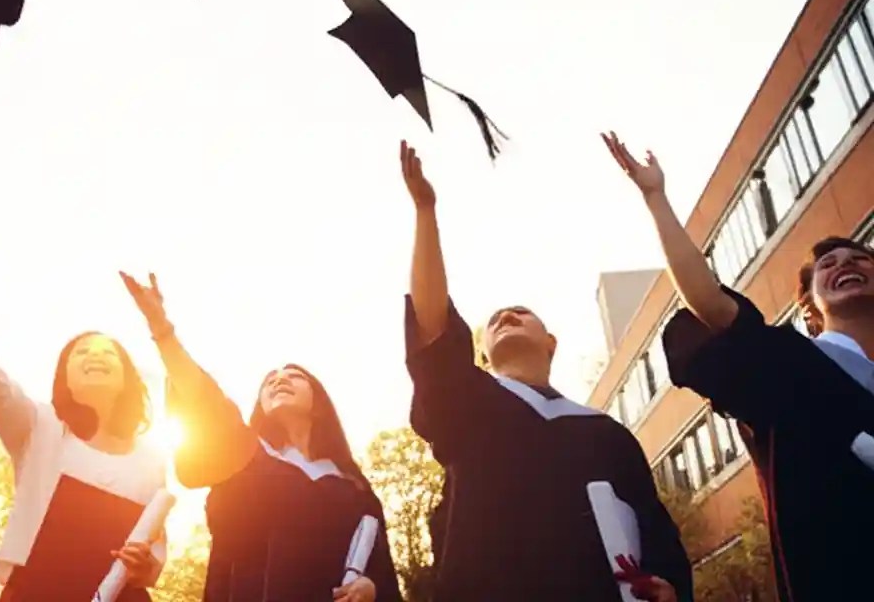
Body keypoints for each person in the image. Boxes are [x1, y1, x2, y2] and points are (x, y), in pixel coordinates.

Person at [399, 139, 691, 601]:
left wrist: (670, 589)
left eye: (521, 312)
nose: (505, 317)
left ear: (551, 343)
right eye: (494, 319)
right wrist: (425, 211)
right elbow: (432, 327)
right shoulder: (471, 406)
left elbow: (656, 535)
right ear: (480, 353)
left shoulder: (607, 435)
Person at [603, 131, 874, 602]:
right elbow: (708, 298)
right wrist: (656, 199)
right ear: (809, 309)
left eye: (860, 258)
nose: (845, 264)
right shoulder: (790, 365)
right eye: (828, 264)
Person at [121, 272, 402, 602]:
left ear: (319, 403)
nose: (279, 381)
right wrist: (162, 330)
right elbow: (205, 402)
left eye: (294, 376)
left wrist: (370, 588)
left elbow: (378, 568)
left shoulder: (353, 486)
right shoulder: (247, 456)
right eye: (270, 381)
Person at [0, 225, 166, 601]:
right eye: (81, 352)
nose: (95, 355)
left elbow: (156, 552)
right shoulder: (38, 425)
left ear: (128, 379)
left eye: (107, 352)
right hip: (39, 591)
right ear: (63, 376)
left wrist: (147, 564)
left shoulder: (151, 460)